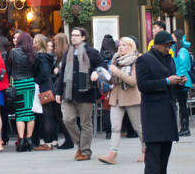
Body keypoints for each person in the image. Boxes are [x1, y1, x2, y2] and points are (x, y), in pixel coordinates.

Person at [136, 32, 182, 174]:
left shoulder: (169, 59)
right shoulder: (144, 60)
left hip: (168, 109)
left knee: (165, 149)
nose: (168, 48)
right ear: (157, 44)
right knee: (154, 150)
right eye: (165, 45)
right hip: (153, 111)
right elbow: (143, 85)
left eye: (170, 46)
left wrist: (178, 81)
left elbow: (171, 81)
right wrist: (167, 81)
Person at [54, 25, 104, 161]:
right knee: (67, 119)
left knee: (85, 123)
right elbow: (63, 73)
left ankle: (86, 151)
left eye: (76, 35)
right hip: (68, 92)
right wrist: (58, 92)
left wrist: (95, 71)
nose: (73, 37)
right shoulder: (68, 52)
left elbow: (102, 66)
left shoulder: (91, 52)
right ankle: (80, 145)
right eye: (72, 35)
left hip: (85, 92)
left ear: (83, 37)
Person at [100, 37, 143, 165]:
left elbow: (132, 81)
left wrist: (117, 72)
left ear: (131, 47)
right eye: (120, 45)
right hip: (116, 97)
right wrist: (102, 75)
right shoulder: (116, 59)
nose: (121, 47)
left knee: (138, 126)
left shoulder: (136, 60)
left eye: (125, 45)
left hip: (131, 97)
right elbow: (112, 80)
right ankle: (112, 154)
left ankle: (146, 150)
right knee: (115, 126)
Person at [7, 31, 37, 151]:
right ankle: (29, 139)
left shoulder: (13, 53)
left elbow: (9, 68)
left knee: (19, 113)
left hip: (18, 84)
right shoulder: (33, 54)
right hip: (30, 83)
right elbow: (35, 68)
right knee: (30, 112)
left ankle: (21, 140)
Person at [174, 33, 194, 136]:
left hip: (182, 81)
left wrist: (179, 79)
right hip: (180, 80)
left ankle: (185, 128)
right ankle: (184, 127)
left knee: (182, 105)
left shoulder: (181, 51)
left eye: (173, 37)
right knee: (182, 105)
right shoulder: (178, 50)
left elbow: (182, 66)